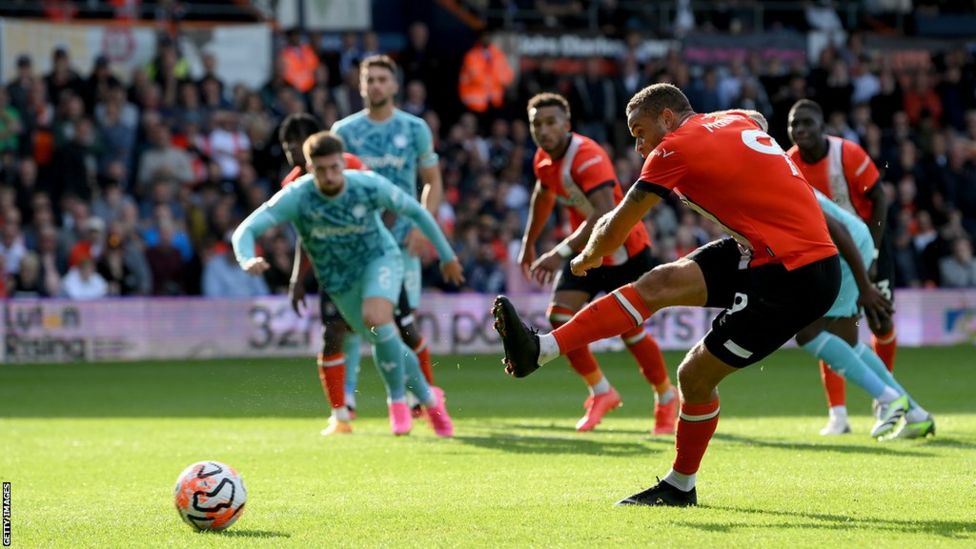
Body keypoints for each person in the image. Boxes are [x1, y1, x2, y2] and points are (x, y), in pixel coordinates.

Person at [491, 83, 841, 506]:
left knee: (694, 376)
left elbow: (616, 224)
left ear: (667, 119)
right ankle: (542, 349)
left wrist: (584, 259)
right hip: (764, 250)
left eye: (640, 132)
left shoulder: (673, 148)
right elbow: (758, 120)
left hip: (795, 274)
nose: (639, 147)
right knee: (658, 283)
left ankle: (679, 486)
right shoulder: (732, 120)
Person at [233, 131, 464, 437]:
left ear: (343, 162)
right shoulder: (297, 196)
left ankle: (401, 401)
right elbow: (246, 229)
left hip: (379, 260)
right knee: (381, 334)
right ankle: (428, 398)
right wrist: (247, 258)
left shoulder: (366, 186)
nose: (329, 175)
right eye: (321, 170)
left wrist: (447, 256)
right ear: (310, 169)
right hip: (338, 281)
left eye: (334, 167)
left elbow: (416, 212)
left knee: (376, 318)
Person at [518, 92, 676, 434]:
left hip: (624, 248)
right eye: (537, 124)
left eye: (550, 123)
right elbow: (543, 195)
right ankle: (601, 392)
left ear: (567, 125)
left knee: (630, 330)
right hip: (588, 250)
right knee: (559, 318)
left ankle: (666, 397)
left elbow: (605, 213)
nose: (543, 131)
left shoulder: (587, 155)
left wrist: (558, 252)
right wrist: (528, 243)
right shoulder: (543, 160)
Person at [331, 55, 443, 414]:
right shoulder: (343, 132)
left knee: (402, 323)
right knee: (349, 322)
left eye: (382, 79)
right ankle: (346, 400)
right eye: (370, 79)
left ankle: (414, 397)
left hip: (401, 242)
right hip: (356, 241)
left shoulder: (414, 129)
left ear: (394, 85)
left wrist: (424, 228)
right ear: (361, 85)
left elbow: (433, 182)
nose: (376, 85)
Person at [786, 99, 898, 435]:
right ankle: (839, 414)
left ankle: (885, 401)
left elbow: (879, 198)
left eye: (807, 123)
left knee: (880, 323)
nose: (801, 130)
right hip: (827, 254)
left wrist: (874, 254)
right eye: (794, 125)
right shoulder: (789, 162)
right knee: (828, 324)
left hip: (868, 245)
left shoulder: (847, 153)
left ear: (822, 126)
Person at [796, 188, 935, 440]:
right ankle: (916, 414)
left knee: (807, 332)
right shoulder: (777, 170)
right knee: (847, 341)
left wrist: (865, 286)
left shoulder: (774, 185)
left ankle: (889, 399)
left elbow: (837, 228)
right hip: (852, 242)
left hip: (845, 248)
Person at [278, 113, 368, 436]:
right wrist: (297, 278)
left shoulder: (351, 165)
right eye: (286, 144)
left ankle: (409, 398)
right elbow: (305, 235)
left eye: (295, 141)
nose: (290, 149)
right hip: (331, 270)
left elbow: (379, 200)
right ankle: (341, 410)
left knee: (389, 330)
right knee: (335, 334)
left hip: (368, 263)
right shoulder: (292, 185)